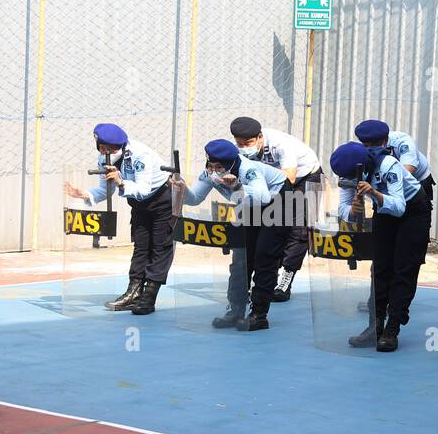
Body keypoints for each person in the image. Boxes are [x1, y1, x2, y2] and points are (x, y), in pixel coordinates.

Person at [175, 139, 288, 331]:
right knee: (240, 257)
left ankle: (259, 314)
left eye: (219, 167)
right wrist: (183, 189)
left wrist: (237, 186)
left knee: (264, 256)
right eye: (211, 166)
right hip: (247, 204)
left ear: (231, 165)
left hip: (278, 201)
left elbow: (263, 197)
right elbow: (195, 199)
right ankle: (235, 309)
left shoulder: (248, 170)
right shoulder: (210, 172)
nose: (214, 171)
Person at [330, 139, 430, 352]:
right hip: (384, 209)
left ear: (362, 168)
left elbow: (400, 206)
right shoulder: (349, 171)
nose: (347, 181)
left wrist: (374, 194)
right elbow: (343, 208)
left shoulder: (388, 164)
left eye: (350, 177)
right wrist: (353, 211)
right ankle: (374, 326)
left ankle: (392, 327)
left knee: (404, 267)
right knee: (380, 267)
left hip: (412, 210)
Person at [64, 123, 173, 316]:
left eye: (110, 149)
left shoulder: (140, 155)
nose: (105, 153)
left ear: (120, 146)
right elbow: (106, 190)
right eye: (101, 149)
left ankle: (149, 296)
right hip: (139, 204)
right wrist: (83, 194)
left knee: (159, 247)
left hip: (162, 198)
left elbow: (144, 189)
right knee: (140, 246)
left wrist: (121, 182)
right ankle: (133, 292)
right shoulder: (104, 160)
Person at [228, 116, 321, 303]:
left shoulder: (280, 144)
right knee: (264, 228)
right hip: (269, 183)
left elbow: (289, 178)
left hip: (304, 178)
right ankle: (261, 279)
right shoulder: (238, 151)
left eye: (248, 143)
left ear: (260, 137)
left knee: (298, 230)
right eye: (239, 144)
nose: (244, 148)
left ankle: (286, 279)